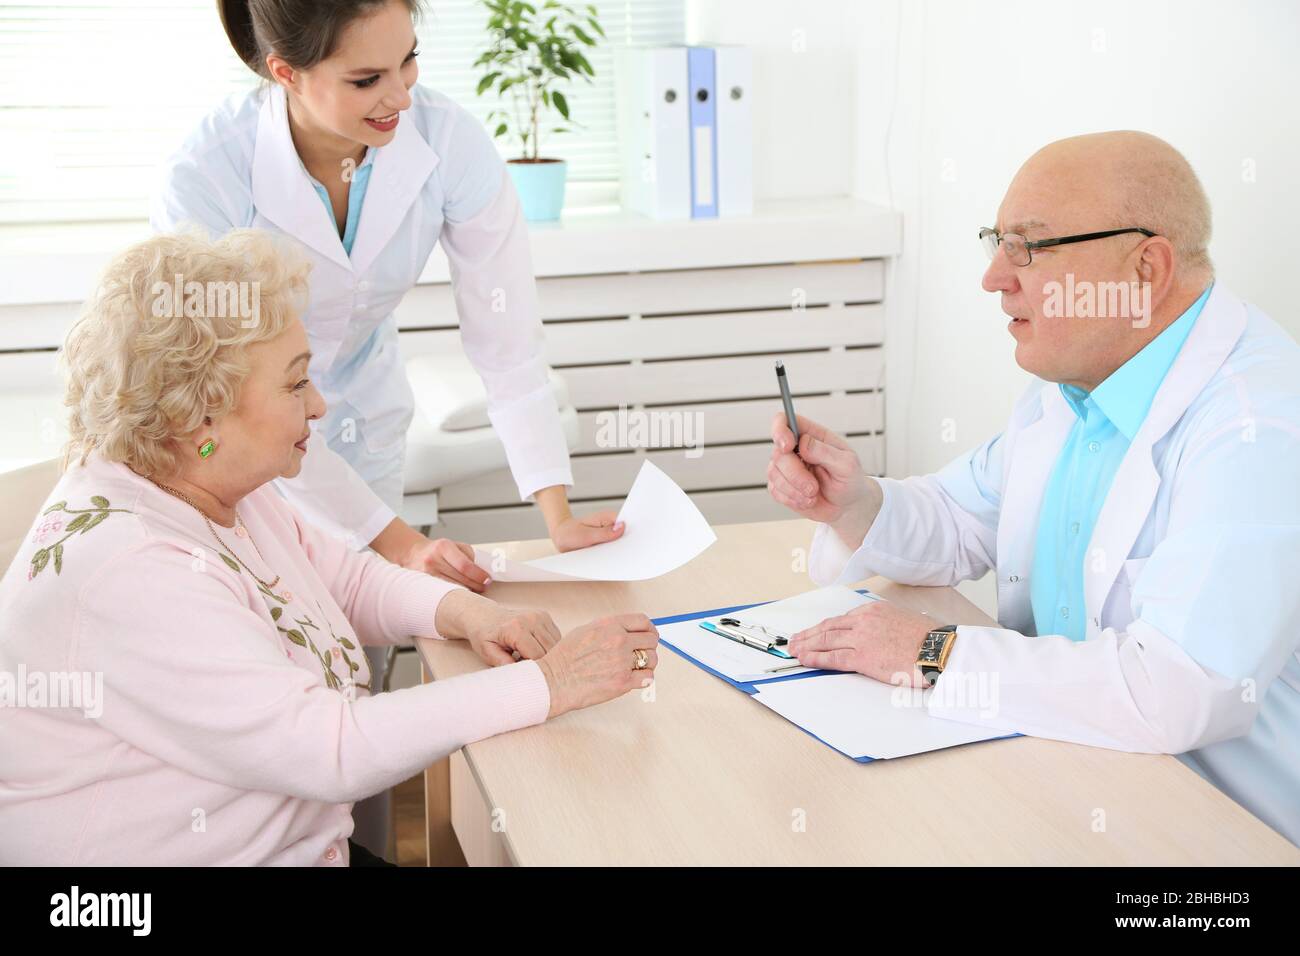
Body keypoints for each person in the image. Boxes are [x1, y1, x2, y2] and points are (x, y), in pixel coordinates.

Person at [0, 230, 659, 865]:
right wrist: (551, 682)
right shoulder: (131, 570)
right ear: (198, 417)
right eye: (293, 384)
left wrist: (468, 614)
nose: (317, 406)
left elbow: (344, 579)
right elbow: (330, 746)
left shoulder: (211, 484)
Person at [767, 131, 1300, 846]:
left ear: (1146, 268)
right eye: (996, 240)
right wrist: (856, 503)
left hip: (1222, 829)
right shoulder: (1075, 388)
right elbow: (962, 514)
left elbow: (1177, 692)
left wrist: (934, 653)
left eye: (1030, 247)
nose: (994, 277)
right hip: (1073, 782)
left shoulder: (1254, 426)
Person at [155, 0, 624, 585]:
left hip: (361, 409)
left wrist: (559, 518)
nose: (401, 96)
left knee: (360, 645)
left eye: (408, 61)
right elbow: (234, 384)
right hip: (231, 435)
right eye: (366, 80)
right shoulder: (208, 174)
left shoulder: (447, 141)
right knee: (271, 631)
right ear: (286, 74)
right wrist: (402, 547)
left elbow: (507, 339)